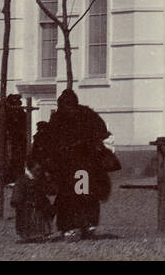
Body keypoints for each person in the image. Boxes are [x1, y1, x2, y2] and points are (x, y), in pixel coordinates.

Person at [37, 88, 115, 238]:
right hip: (71, 166)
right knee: (72, 196)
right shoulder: (68, 116)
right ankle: (78, 225)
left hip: (81, 166)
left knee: (80, 195)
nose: (64, 109)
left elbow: (101, 135)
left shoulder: (82, 116)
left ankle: (81, 225)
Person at [0, 93, 28, 188]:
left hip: (16, 140)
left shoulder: (17, 111)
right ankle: (10, 178)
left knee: (15, 159)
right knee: (10, 159)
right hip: (10, 140)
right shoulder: (8, 111)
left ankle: (13, 179)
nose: (17, 104)